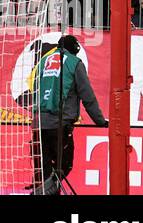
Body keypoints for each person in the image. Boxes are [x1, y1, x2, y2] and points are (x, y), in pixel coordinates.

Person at [19, 34, 107, 194]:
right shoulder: (74, 63)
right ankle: (40, 192)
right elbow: (87, 96)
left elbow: (35, 89)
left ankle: (43, 189)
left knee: (45, 170)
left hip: (38, 124)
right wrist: (100, 121)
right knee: (64, 165)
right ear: (75, 49)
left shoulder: (43, 62)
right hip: (59, 124)